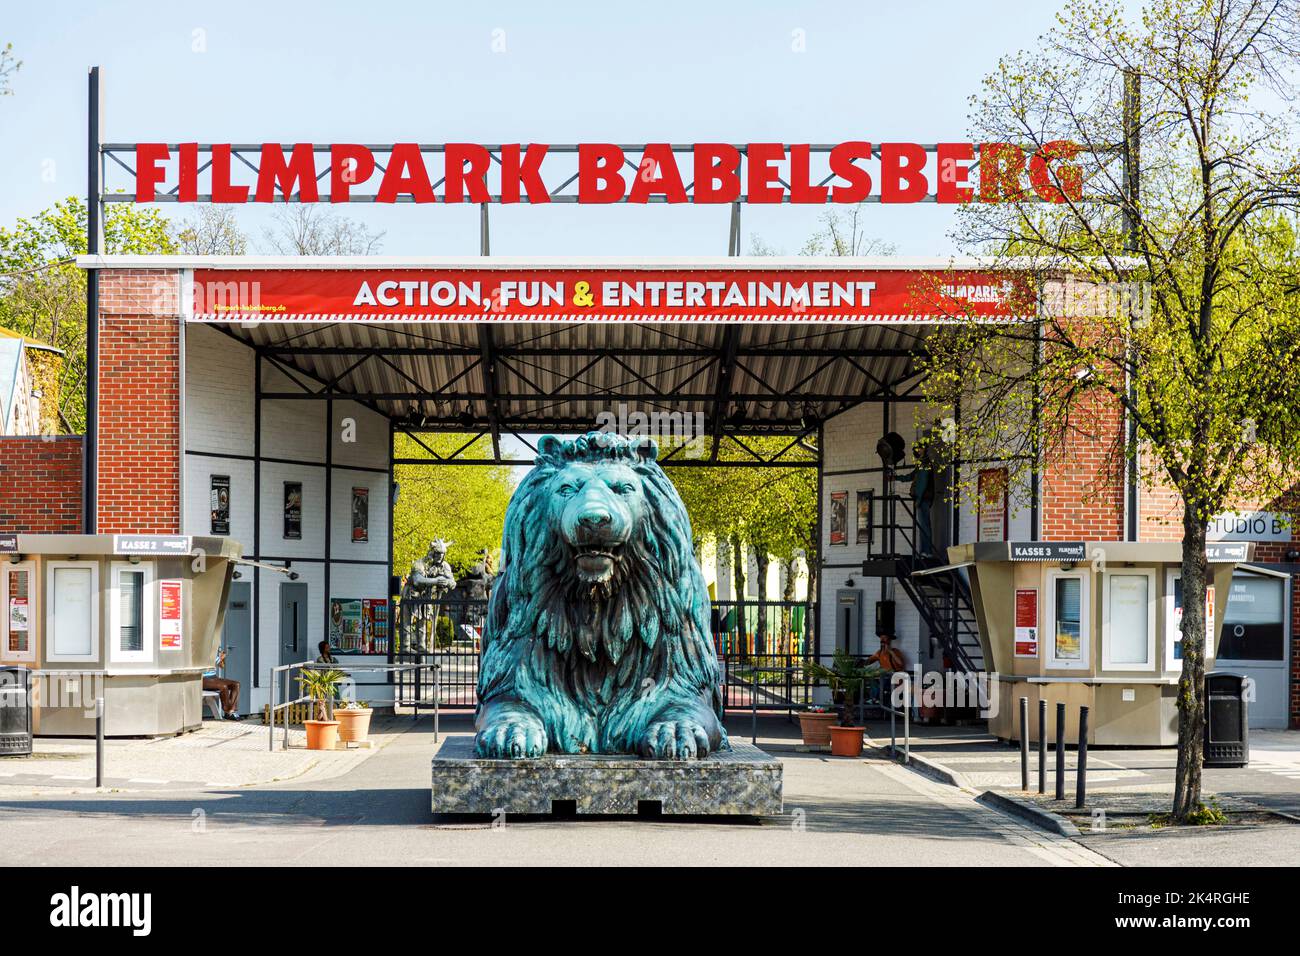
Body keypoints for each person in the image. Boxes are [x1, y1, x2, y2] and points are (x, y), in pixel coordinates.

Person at [202, 648, 242, 720]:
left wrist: (222, 658)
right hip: (203, 679)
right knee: (223, 686)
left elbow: (222, 666)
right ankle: (228, 711)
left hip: (213, 677)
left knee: (236, 684)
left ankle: (231, 711)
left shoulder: (212, 655)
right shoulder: (200, 655)